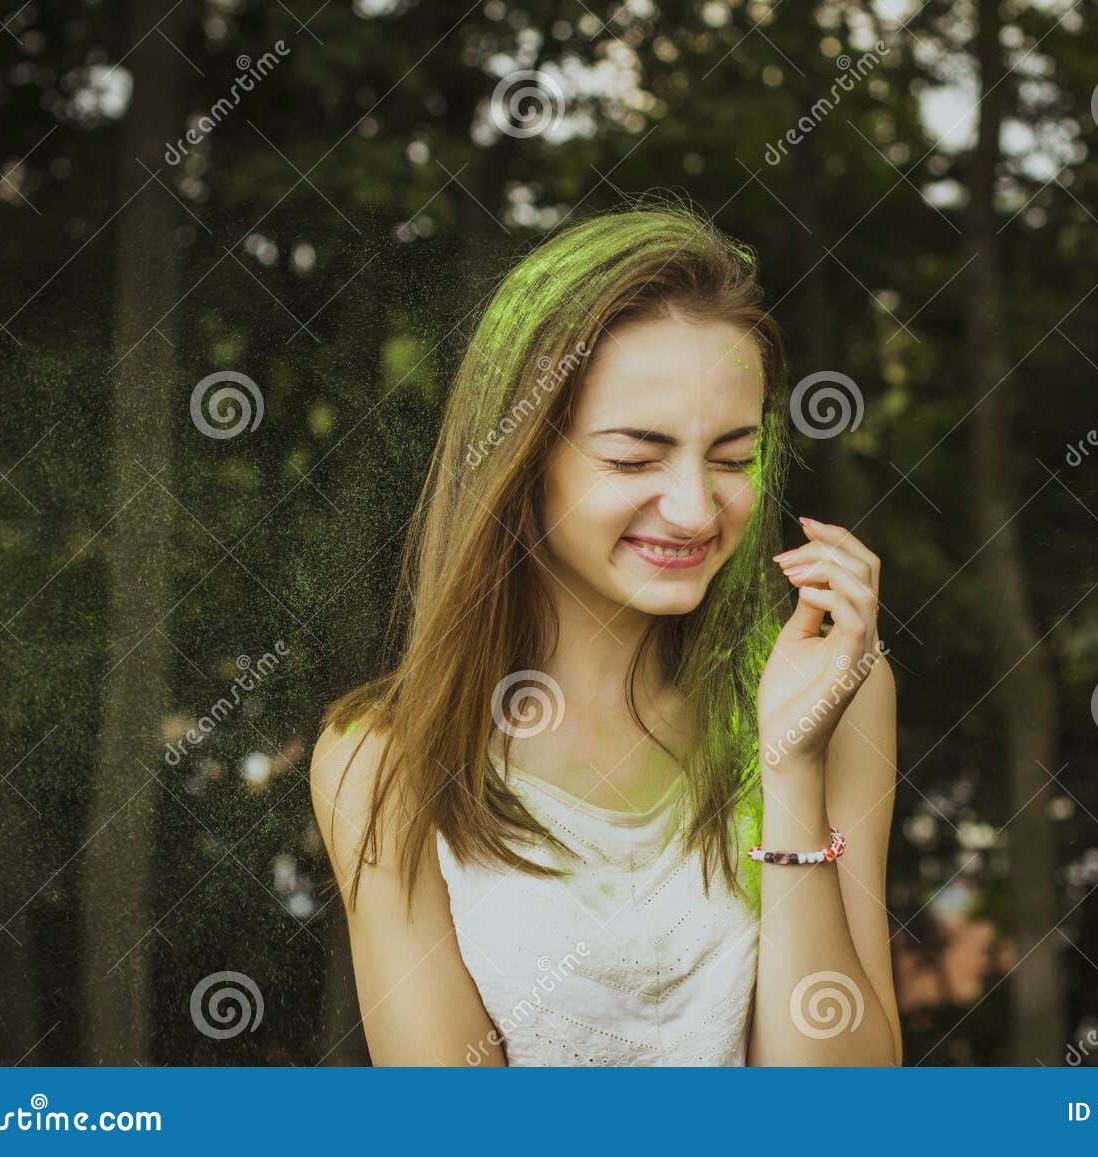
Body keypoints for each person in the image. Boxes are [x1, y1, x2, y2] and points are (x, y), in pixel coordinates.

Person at [308, 203, 900, 1065]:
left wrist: (791, 769)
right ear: (522, 461)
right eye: (632, 458)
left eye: (732, 457)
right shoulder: (382, 763)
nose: (695, 509)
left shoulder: (841, 692)